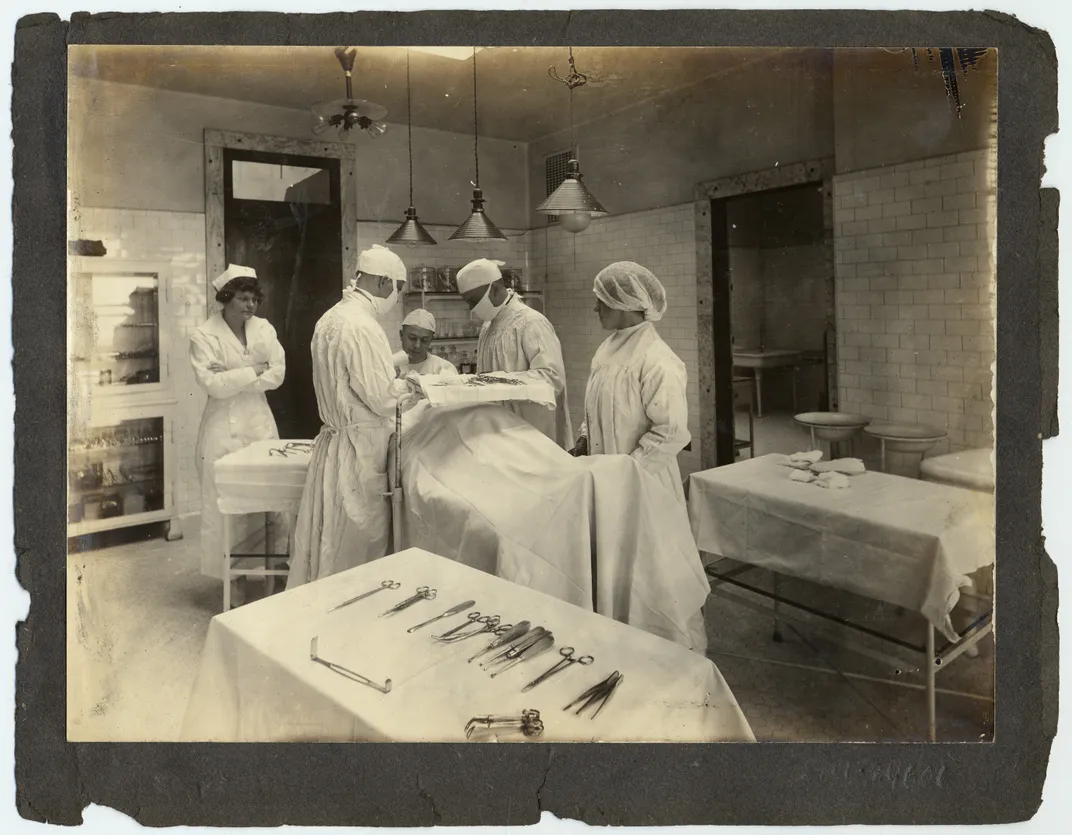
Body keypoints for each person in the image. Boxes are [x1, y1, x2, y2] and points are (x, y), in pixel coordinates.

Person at [288, 245, 422, 587]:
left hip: (337, 442)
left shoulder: (330, 317)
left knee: (329, 537)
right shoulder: (363, 326)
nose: (396, 296)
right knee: (357, 544)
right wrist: (415, 386)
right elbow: (380, 398)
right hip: (359, 451)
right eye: (398, 288)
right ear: (383, 282)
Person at [189, 264, 286, 581]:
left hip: (258, 422)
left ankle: (270, 570)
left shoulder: (264, 328)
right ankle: (233, 579)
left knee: (267, 499)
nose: (250, 306)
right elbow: (211, 385)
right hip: (222, 428)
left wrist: (233, 376)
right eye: (243, 298)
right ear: (226, 298)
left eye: (254, 299)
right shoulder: (204, 335)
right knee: (224, 508)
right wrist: (254, 370)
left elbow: (278, 374)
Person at [569, 261, 691, 507]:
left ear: (623, 304)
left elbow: (672, 432)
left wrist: (627, 471)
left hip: (642, 483)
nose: (596, 308)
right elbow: (596, 406)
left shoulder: (657, 358)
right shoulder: (606, 349)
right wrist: (584, 439)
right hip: (607, 476)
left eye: (601, 302)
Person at [455, 258, 572, 447]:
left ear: (494, 289)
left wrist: (499, 381)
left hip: (530, 428)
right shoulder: (488, 326)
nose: (471, 309)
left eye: (474, 301)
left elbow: (552, 378)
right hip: (497, 426)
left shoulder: (531, 323)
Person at [395, 309, 459, 377]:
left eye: (424, 340)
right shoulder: (389, 365)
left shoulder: (444, 369)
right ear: (401, 335)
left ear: (431, 340)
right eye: (412, 338)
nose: (417, 345)